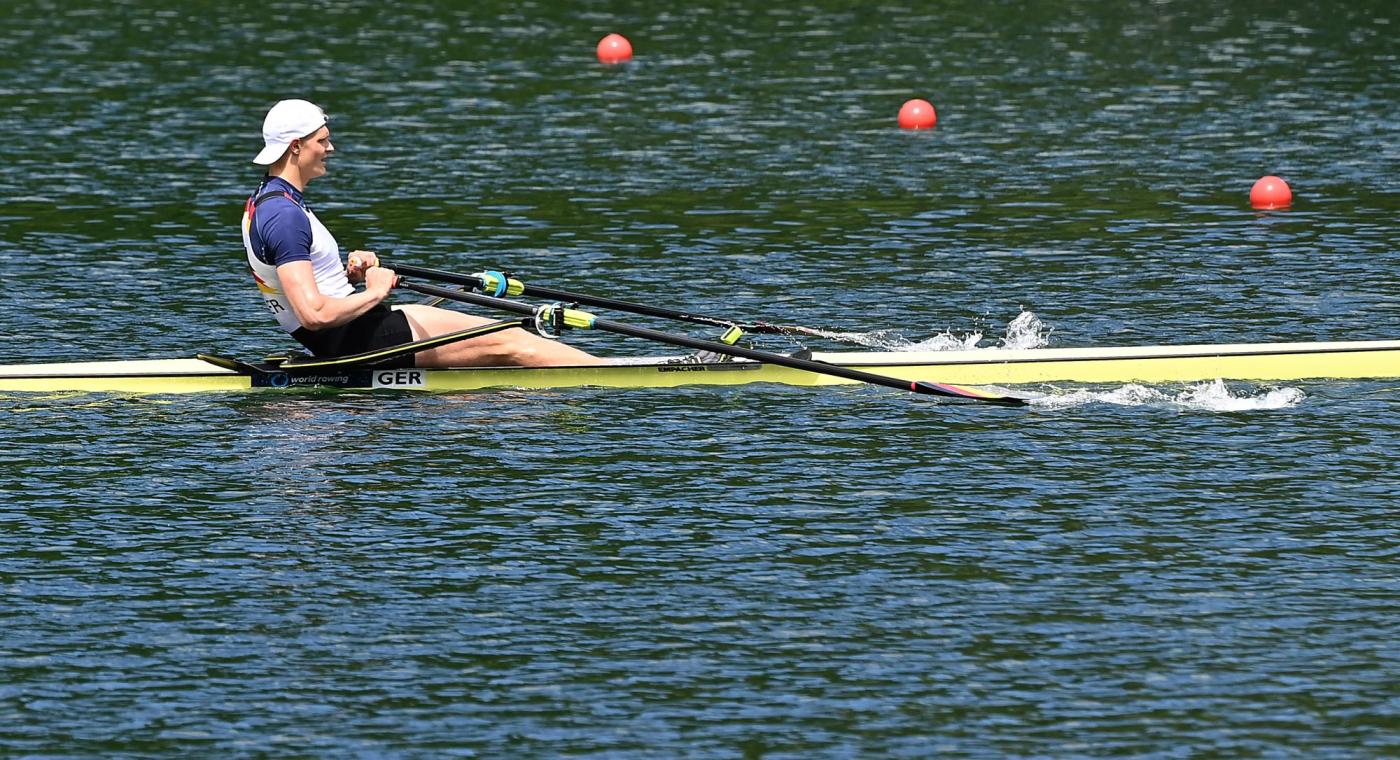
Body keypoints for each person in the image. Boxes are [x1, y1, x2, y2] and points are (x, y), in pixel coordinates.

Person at [240, 99, 605, 368]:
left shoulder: (267, 201)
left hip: (350, 334)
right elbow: (313, 315)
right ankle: (608, 379)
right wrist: (377, 289)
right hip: (356, 339)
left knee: (494, 369)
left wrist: (345, 271)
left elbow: (300, 278)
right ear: (296, 146)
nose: (330, 149)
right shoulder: (284, 215)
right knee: (514, 341)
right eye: (323, 141)